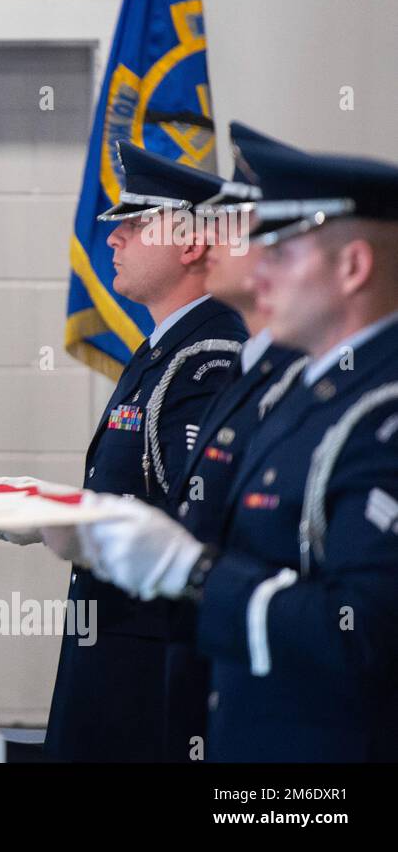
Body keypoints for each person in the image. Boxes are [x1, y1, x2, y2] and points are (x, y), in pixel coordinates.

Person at [42, 142, 398, 762]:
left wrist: (191, 572)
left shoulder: (376, 411)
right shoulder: (313, 391)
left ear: (352, 268)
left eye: (280, 250)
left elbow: (363, 634)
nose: (257, 271)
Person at [0, 142, 248, 761]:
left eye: (135, 222)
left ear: (191, 243)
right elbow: (138, 498)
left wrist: (63, 523)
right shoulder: (165, 348)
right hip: (115, 669)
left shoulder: (207, 360)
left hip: (150, 682)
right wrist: (47, 507)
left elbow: (193, 532)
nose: (113, 239)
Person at [153, 122, 309, 760]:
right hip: (216, 672)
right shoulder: (256, 368)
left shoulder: (303, 383)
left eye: (236, 225)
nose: (211, 237)